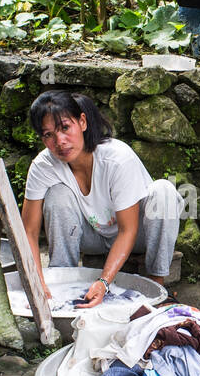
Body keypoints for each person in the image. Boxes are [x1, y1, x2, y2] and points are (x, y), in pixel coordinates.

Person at [21, 90, 181, 308]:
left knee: (164, 192)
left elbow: (128, 230)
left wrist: (104, 282)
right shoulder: (43, 166)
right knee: (57, 194)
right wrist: (37, 282)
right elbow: (28, 231)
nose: (60, 141)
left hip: (136, 235)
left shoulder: (117, 158)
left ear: (82, 122)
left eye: (65, 128)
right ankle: (60, 284)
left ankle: (157, 287)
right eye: (48, 135)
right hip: (93, 236)